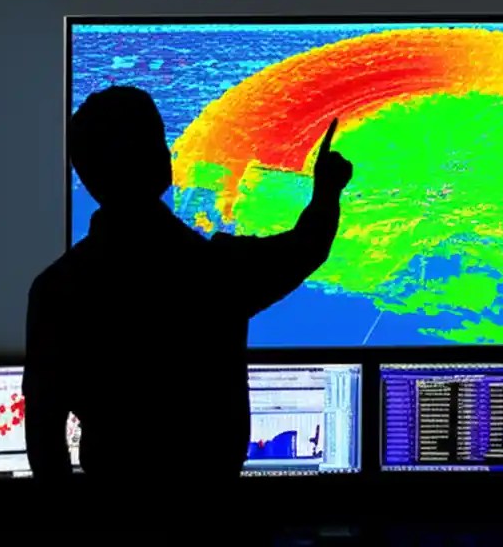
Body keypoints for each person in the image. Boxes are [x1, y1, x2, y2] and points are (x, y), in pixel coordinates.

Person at [24, 85, 352, 495]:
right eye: (158, 138)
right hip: (208, 517)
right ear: (157, 159)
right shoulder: (214, 271)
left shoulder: (55, 290)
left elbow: (43, 430)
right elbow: (306, 246)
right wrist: (326, 190)